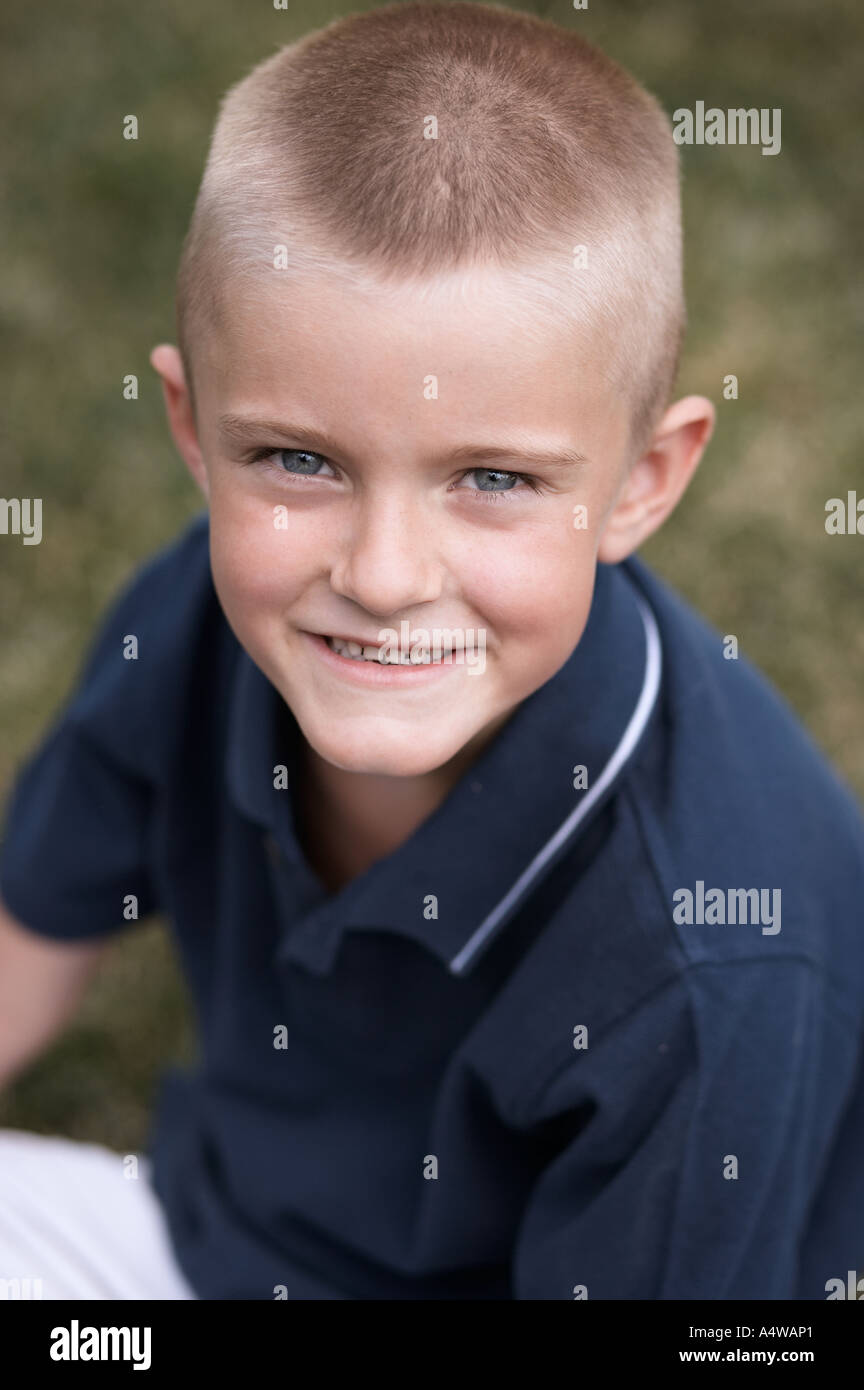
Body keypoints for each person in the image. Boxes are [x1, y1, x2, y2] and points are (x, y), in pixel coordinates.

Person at [1, 1, 863, 1301]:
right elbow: (31, 925)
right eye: (300, 460)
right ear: (192, 428)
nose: (383, 577)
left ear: (643, 478)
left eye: (495, 478)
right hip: (205, 1244)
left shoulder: (707, 963)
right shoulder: (197, 616)